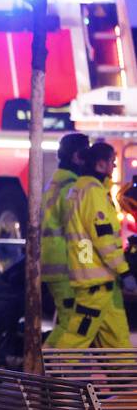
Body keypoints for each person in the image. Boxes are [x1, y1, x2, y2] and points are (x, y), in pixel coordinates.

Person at [58, 141, 135, 348]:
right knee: (76, 337)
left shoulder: (80, 189)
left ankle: (123, 377)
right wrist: (124, 271)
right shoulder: (93, 192)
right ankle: (52, 375)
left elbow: (85, 242)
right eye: (112, 161)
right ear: (100, 164)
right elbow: (104, 238)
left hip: (99, 280)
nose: (115, 167)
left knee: (117, 339)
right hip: (96, 282)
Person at [42, 133, 92, 346]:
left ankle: (51, 369)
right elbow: (78, 231)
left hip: (53, 264)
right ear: (77, 157)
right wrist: (87, 264)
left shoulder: (56, 182)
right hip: (64, 266)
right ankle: (45, 369)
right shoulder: (70, 188)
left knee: (67, 319)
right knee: (71, 321)